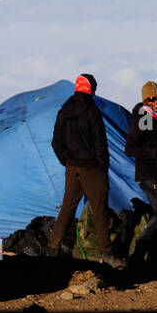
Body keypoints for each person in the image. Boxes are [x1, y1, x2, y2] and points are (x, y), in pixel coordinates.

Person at [48, 73, 114, 262]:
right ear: (91, 89)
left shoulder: (64, 110)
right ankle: (106, 252)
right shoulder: (92, 111)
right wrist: (103, 168)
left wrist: (67, 161)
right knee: (100, 208)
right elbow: (100, 143)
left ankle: (53, 246)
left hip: (72, 167)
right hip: (92, 168)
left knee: (68, 206)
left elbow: (56, 142)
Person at [124, 80, 157, 272]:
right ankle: (137, 253)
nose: (156, 101)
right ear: (145, 100)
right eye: (151, 99)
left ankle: (155, 258)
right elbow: (131, 148)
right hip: (150, 173)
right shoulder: (144, 116)